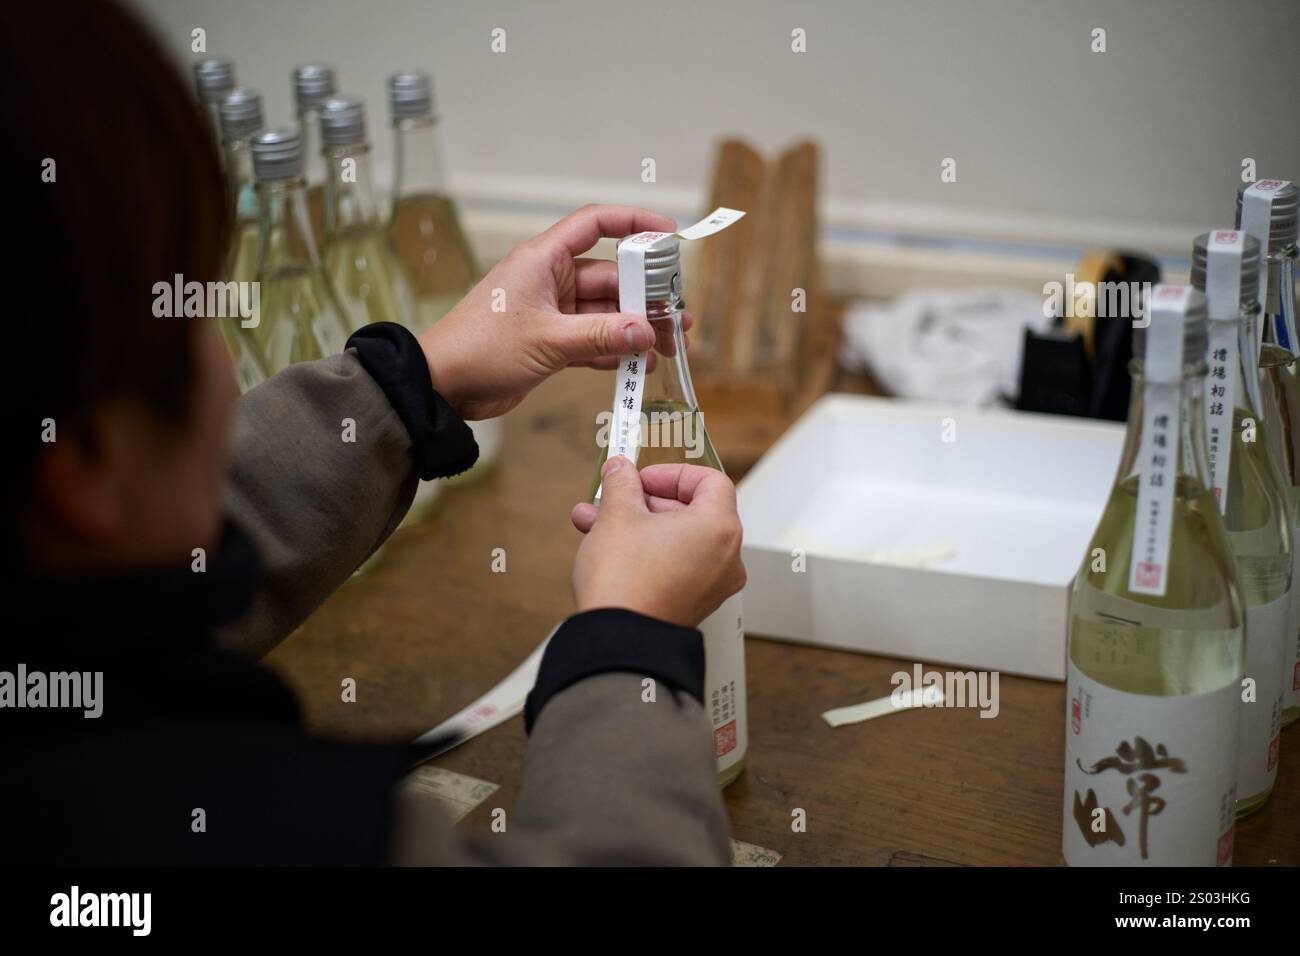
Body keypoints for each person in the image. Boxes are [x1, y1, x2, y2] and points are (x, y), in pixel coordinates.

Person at [2, 0, 743, 865]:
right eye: (195, 316)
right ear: (85, 459)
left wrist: (410, 384)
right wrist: (630, 641)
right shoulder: (225, 821)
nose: (233, 355)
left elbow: (190, 537)